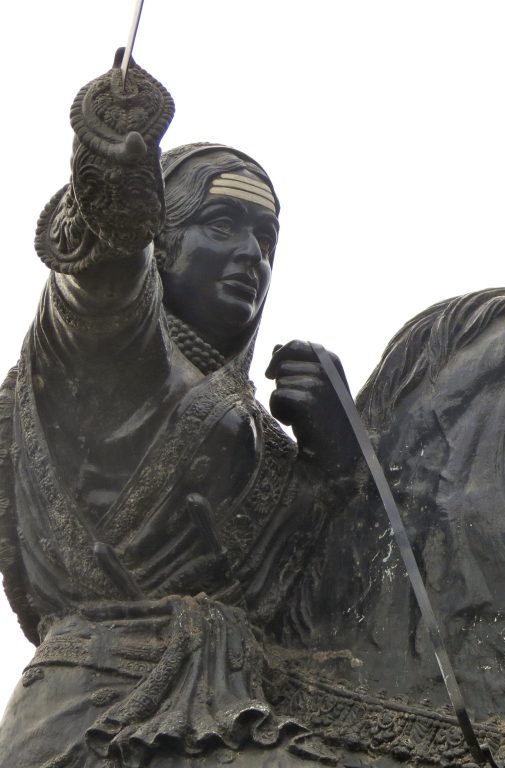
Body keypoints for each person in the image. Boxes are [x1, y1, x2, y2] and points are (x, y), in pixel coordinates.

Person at [0, 57, 354, 766]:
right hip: (99, 711)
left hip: (250, 712)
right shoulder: (109, 358)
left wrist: (342, 461)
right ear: (164, 239)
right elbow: (99, 280)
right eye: (222, 223)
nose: (251, 253)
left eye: (265, 238)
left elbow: (326, 613)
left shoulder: (271, 439)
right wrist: (117, 171)